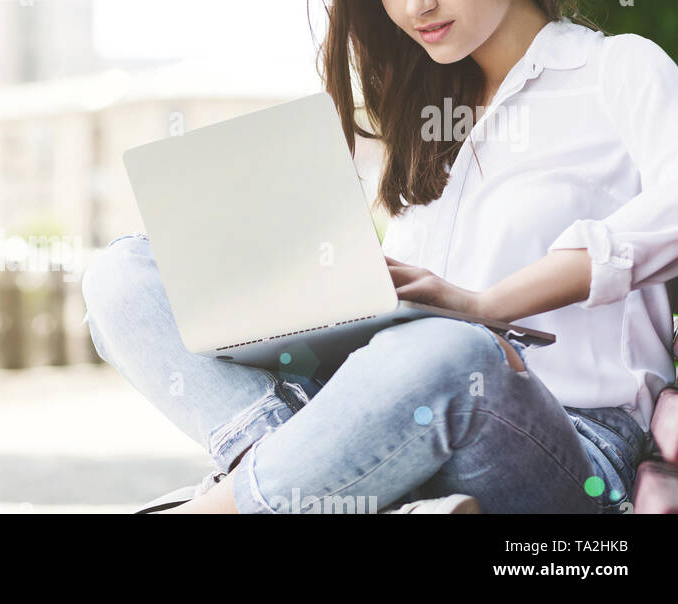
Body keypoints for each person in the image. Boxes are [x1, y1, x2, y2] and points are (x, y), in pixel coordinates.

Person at [82, 0, 676, 513]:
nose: (416, 7)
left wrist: (485, 305)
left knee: (451, 348)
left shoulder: (617, 68)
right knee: (123, 276)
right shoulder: (425, 121)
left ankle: (231, 503)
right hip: (391, 423)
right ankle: (316, 480)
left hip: (570, 441)